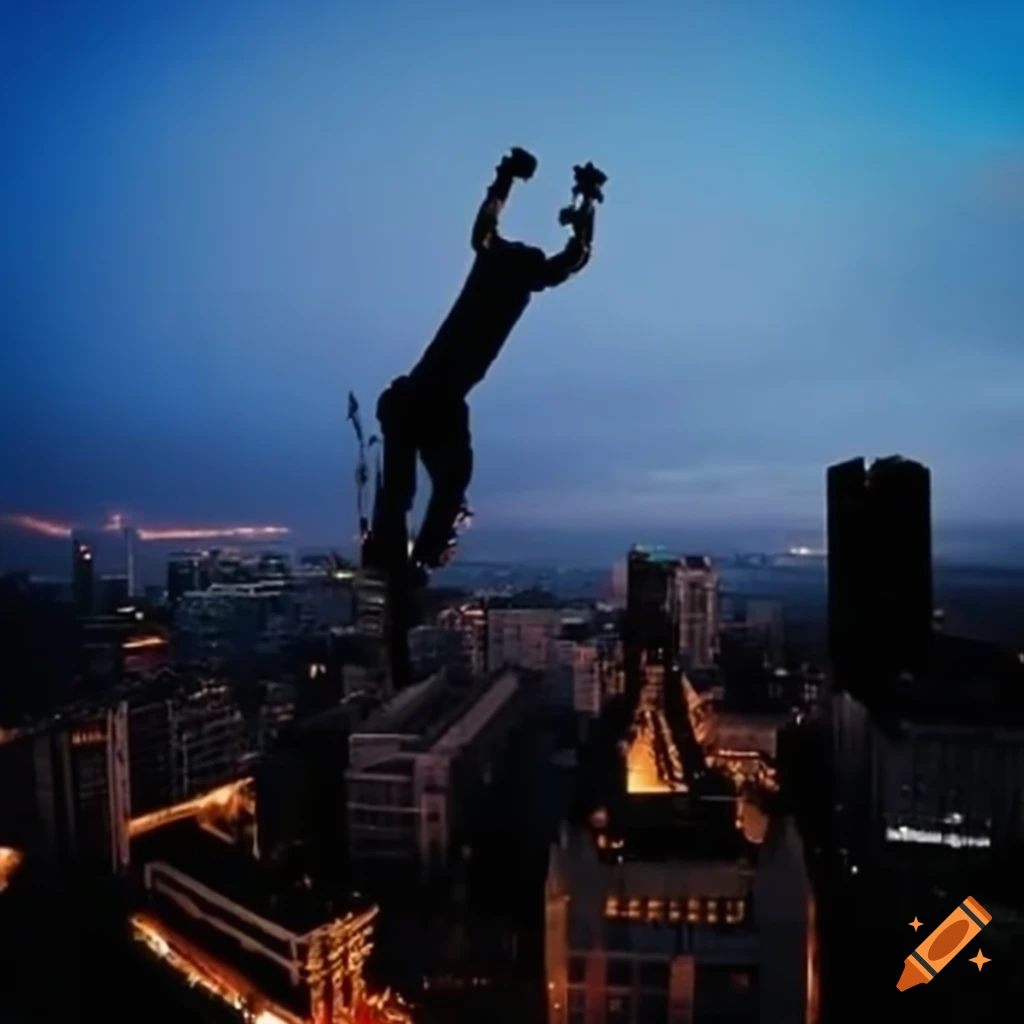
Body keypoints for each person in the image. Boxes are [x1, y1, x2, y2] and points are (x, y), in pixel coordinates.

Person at [372, 149, 597, 593]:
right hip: (437, 401)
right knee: (443, 484)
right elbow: (573, 259)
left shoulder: (493, 259)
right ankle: (414, 563)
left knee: (408, 490)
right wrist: (586, 205)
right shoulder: (515, 271)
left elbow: (489, 229)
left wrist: (506, 179)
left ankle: (401, 560)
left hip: (414, 397)